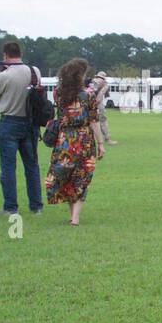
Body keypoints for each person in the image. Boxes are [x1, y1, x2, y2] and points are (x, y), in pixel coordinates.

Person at [0, 41, 45, 217]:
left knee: (8, 168)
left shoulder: (4, 76)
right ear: (20, 53)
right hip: (31, 124)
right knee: (32, 166)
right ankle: (36, 206)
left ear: (5, 56)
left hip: (9, 123)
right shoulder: (35, 71)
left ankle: (11, 207)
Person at [44, 58, 103, 225]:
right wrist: (101, 144)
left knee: (66, 176)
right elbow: (94, 120)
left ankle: (73, 216)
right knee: (82, 178)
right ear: (80, 75)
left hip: (64, 140)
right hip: (84, 139)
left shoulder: (58, 93)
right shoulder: (89, 95)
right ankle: (75, 218)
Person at [92, 71, 115, 147]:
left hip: (87, 104)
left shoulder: (92, 81)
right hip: (98, 104)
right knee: (103, 121)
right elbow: (100, 95)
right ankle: (108, 139)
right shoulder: (104, 84)